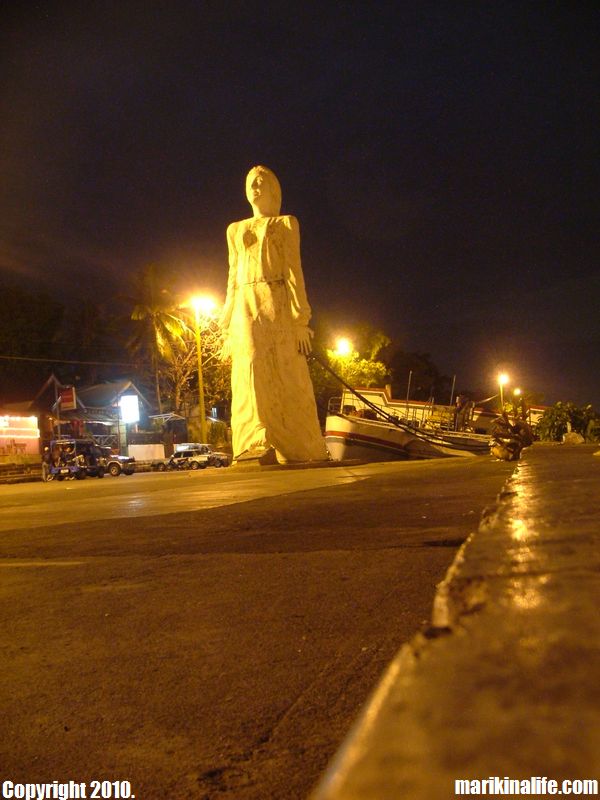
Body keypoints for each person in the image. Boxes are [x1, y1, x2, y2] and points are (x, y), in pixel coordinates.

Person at [220, 166, 328, 463]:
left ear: (273, 189)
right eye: (250, 183)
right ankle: (256, 439)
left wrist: (300, 320)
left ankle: (297, 444)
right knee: (250, 368)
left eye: (261, 182)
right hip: (245, 303)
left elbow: (294, 272)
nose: (255, 187)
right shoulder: (234, 229)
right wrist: (227, 323)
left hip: (276, 299)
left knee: (285, 368)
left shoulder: (286, 223)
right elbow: (231, 277)